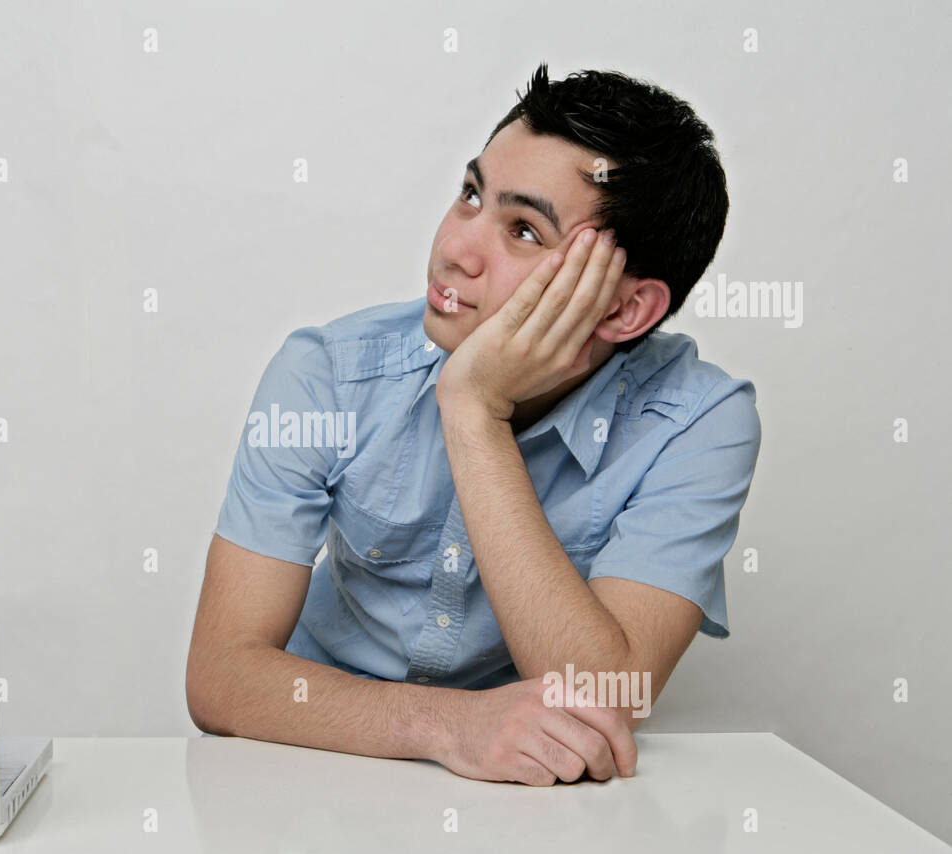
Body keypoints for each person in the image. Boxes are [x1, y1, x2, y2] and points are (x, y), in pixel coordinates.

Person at [185, 63, 760, 786]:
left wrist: (474, 412)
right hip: (318, 761)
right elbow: (220, 676)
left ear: (623, 309)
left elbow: (603, 699)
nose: (454, 248)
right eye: (469, 195)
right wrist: (449, 726)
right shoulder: (326, 374)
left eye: (523, 229)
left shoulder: (700, 423)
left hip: (532, 796)